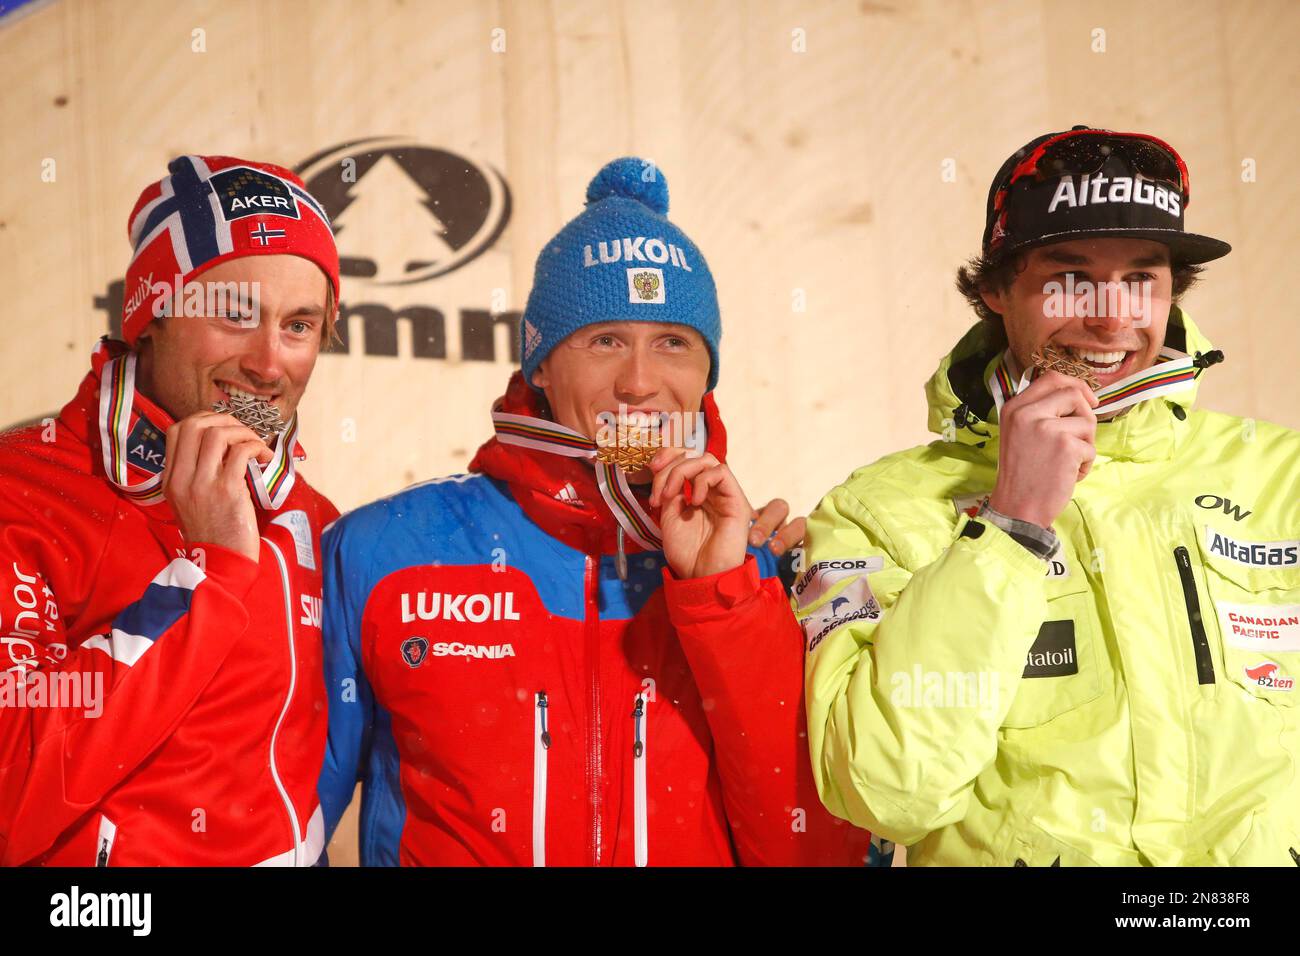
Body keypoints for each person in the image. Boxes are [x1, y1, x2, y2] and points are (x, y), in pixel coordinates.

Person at [319, 157, 870, 865]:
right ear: (540, 365)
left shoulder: (779, 570)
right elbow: (285, 824)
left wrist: (722, 597)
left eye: (672, 343)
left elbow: (816, 853)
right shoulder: (383, 551)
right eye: (605, 340)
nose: (639, 383)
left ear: (706, 376)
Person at [803, 126, 1300, 866]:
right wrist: (1010, 528)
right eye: (1070, 277)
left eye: (1142, 278)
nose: (1110, 318)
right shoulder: (874, 512)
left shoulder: (1282, 475)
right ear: (996, 289)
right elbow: (887, 792)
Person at [0, 155, 339, 866]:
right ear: (151, 315)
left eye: (300, 325)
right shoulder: (24, 494)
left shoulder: (312, 520)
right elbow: (11, 793)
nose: (269, 365)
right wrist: (207, 576)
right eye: (235, 316)